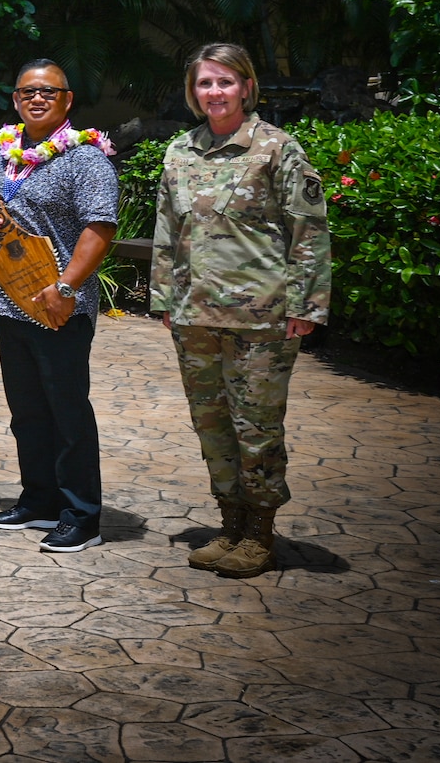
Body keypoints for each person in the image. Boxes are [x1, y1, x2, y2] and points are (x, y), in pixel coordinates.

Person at [153, 42, 330, 579]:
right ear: (193, 91)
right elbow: (167, 232)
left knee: (255, 428)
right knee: (212, 425)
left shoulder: (278, 149)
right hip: (194, 315)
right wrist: (163, 298)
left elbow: (309, 230)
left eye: (225, 82)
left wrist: (307, 305)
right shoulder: (180, 151)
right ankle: (230, 523)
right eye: (205, 83)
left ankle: (260, 533)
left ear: (247, 87)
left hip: (263, 318)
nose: (215, 92)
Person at [0, 59, 118, 554]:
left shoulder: (85, 158)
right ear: (15, 99)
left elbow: (100, 228)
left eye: (48, 93)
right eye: (27, 92)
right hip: (10, 300)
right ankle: (39, 499)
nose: (37, 99)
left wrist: (68, 286)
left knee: (67, 412)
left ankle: (81, 515)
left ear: (67, 100)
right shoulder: (0, 152)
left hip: (61, 304)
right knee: (27, 410)